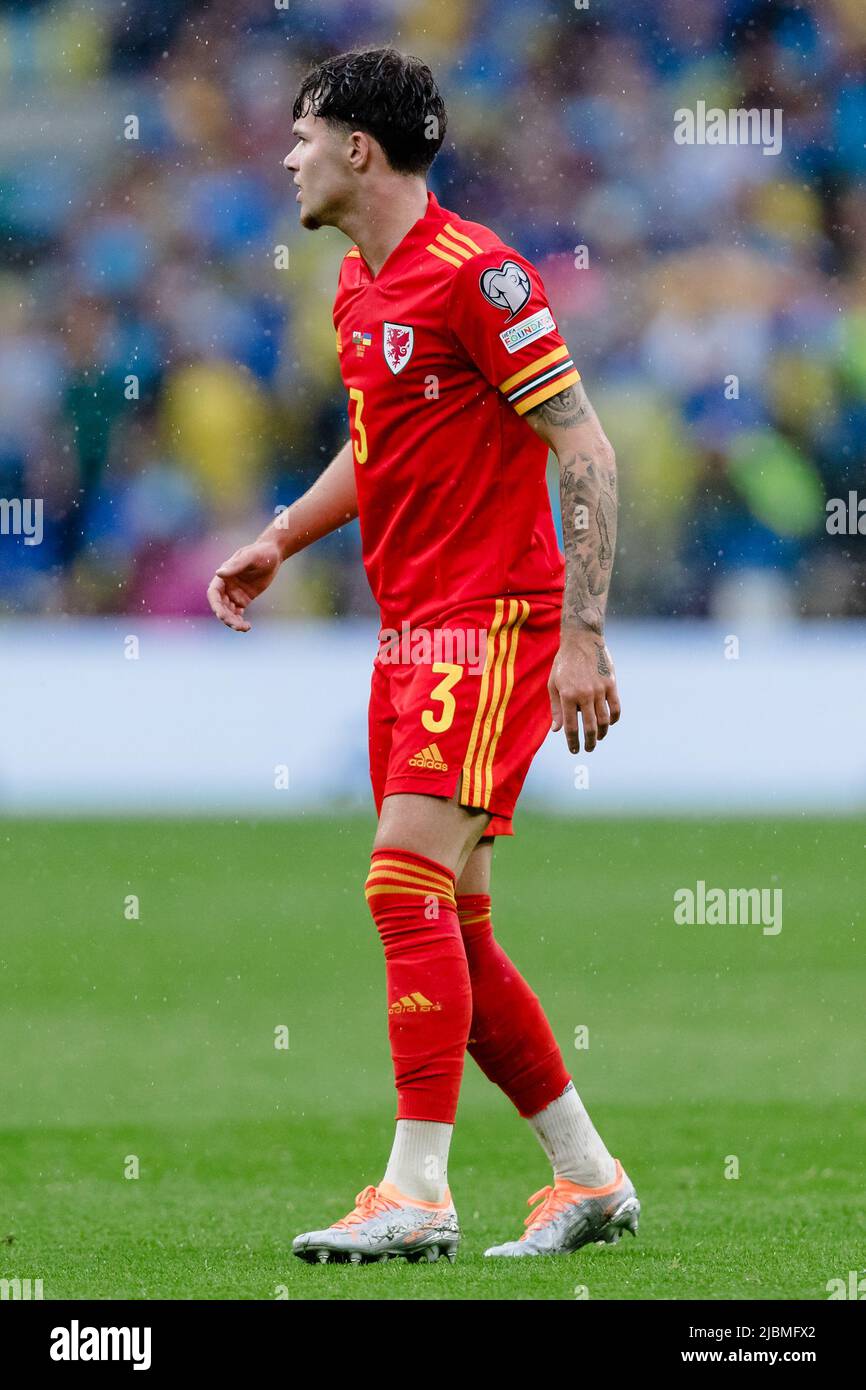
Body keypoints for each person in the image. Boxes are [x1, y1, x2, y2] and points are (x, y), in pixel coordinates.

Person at [207, 47, 639, 1264]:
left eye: (301, 135)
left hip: (488, 619)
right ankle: (586, 1176)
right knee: (455, 921)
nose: (285, 155)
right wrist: (281, 537)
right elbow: (379, 450)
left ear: (357, 147)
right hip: (407, 634)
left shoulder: (480, 278)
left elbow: (586, 450)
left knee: (400, 885)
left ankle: (416, 1189)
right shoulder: (357, 291)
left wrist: (581, 635)